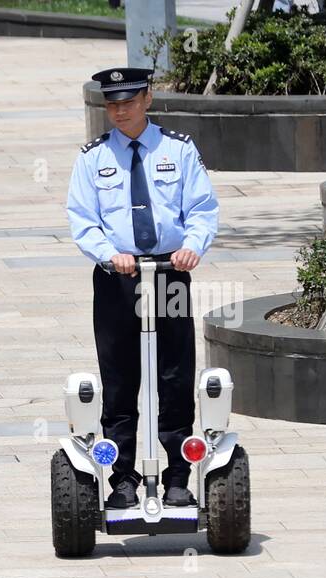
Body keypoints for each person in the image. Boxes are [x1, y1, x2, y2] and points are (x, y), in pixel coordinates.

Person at [66, 68, 219, 509]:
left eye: (129, 102)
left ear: (147, 99)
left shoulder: (179, 149)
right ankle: (124, 477)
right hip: (118, 279)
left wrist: (192, 246)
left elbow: (202, 208)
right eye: (112, 104)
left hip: (169, 273)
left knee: (174, 373)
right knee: (119, 378)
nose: (120, 111)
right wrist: (106, 253)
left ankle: (176, 475)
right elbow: (82, 216)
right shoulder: (93, 158)